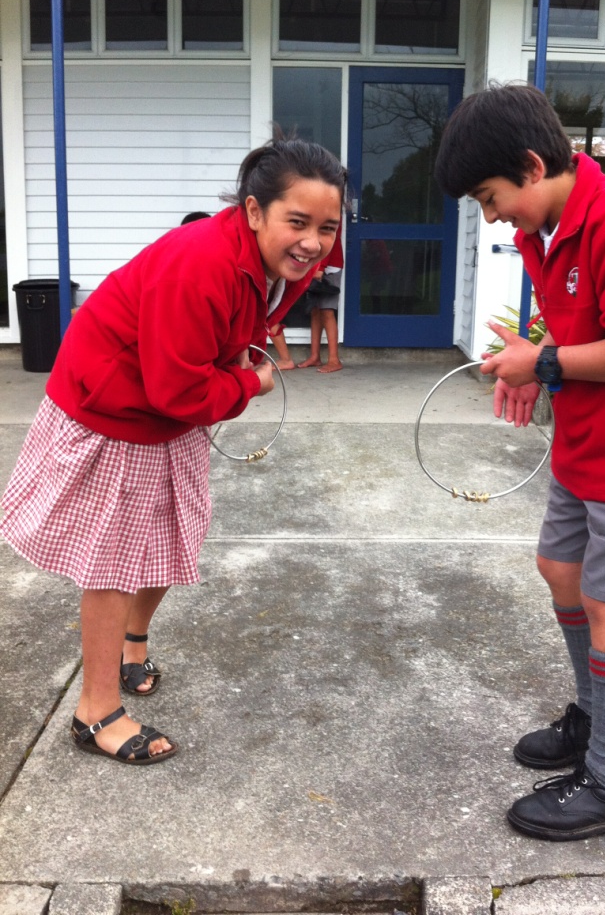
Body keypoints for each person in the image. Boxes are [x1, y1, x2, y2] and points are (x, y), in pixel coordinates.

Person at [1, 134, 346, 766]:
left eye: (327, 226)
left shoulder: (281, 258)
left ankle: (135, 645)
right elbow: (175, 389)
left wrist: (250, 342)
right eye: (298, 222)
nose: (314, 242)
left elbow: (250, 317)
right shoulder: (200, 263)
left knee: (172, 538)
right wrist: (251, 382)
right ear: (252, 211)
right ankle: (95, 711)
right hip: (115, 411)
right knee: (112, 563)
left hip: (164, 416)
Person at [434, 82, 605, 841]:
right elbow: (560, 311)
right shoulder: (545, 227)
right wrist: (534, 364)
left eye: (491, 198)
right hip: (586, 443)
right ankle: (594, 717)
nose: (491, 217)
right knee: (560, 570)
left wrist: (548, 364)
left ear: (530, 167)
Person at [296, 229, 344, 373]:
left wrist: (321, 267)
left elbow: (329, 237)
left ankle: (334, 360)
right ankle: (315, 356)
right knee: (315, 310)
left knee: (327, 311)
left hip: (329, 267)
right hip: (314, 263)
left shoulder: (331, 209)